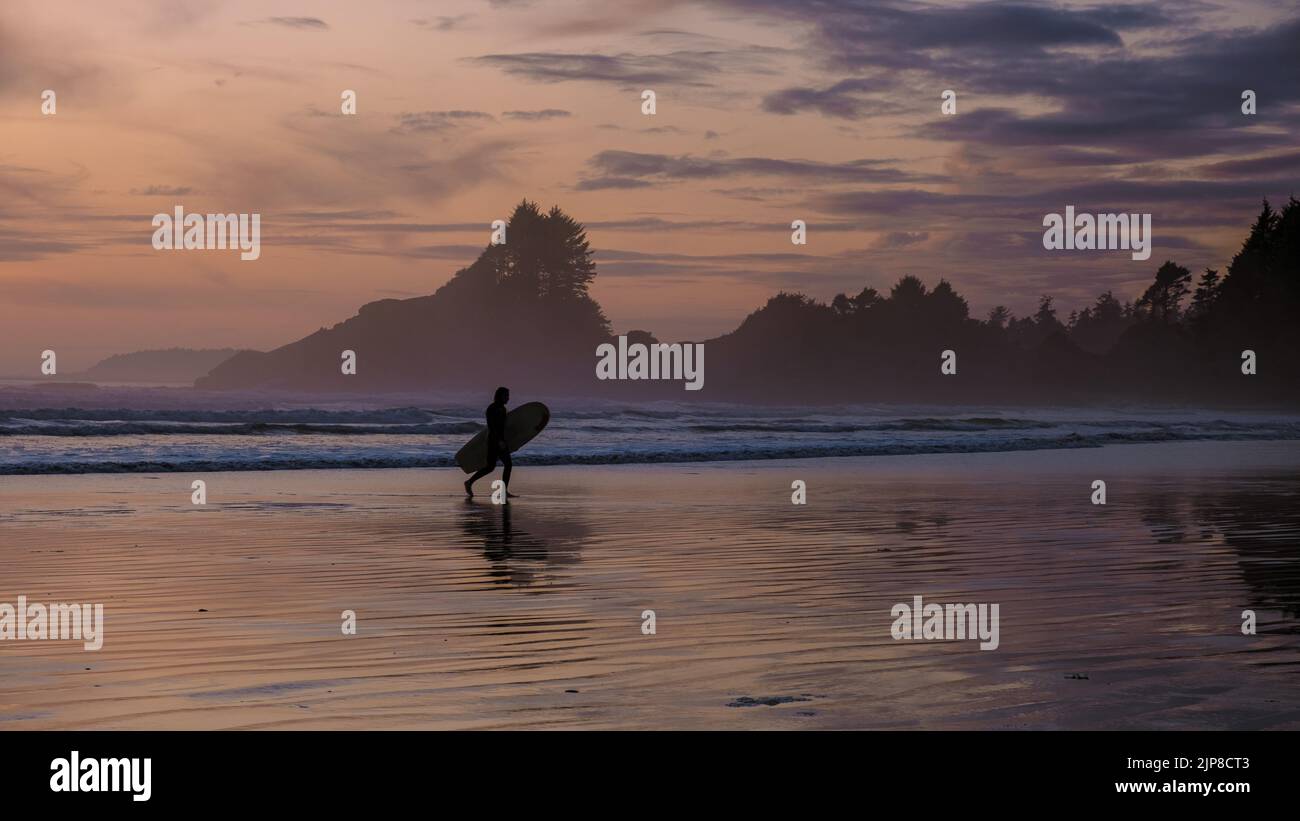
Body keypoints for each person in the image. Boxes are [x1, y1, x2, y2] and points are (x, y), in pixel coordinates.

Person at [465, 386, 516, 499]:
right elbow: (492, 427)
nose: (508, 398)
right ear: (500, 396)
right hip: (495, 440)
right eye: (506, 396)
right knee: (507, 464)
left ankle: (469, 482)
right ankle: (503, 491)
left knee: (490, 467)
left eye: (508, 396)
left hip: (498, 440)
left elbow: (503, 427)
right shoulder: (493, 408)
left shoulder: (502, 408)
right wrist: (499, 441)